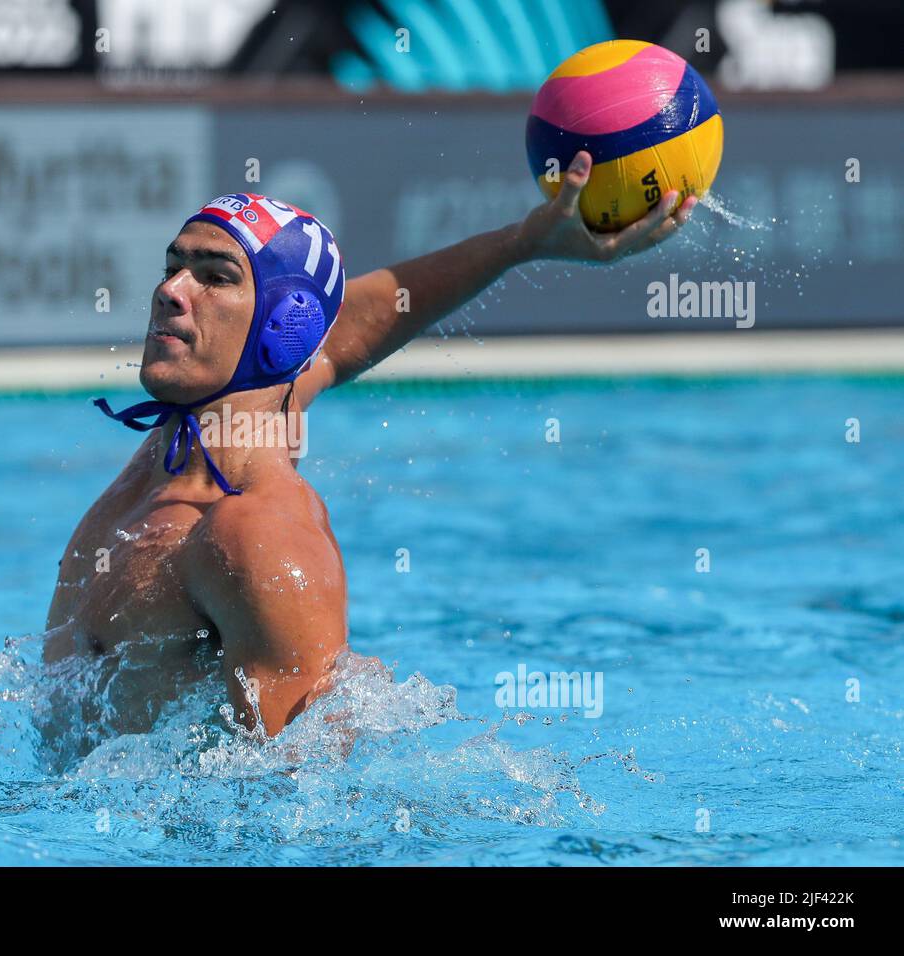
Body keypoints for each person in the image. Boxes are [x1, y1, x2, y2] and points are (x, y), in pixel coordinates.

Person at [42, 151, 697, 737]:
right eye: (173, 267)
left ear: (283, 328)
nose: (169, 292)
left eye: (213, 276)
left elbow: (291, 809)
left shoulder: (251, 534)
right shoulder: (184, 444)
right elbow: (358, 319)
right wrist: (523, 241)